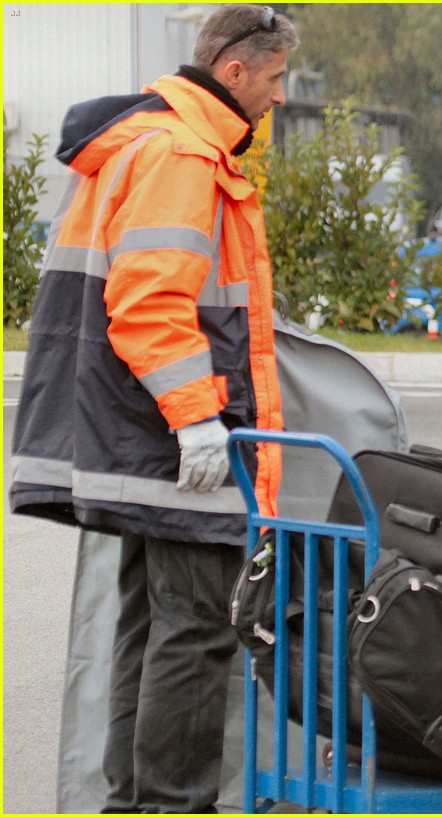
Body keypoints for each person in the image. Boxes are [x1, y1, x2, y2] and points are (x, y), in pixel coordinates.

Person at [8, 5, 297, 811]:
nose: (277, 98)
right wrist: (197, 416)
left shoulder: (150, 140)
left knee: (149, 626)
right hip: (171, 440)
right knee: (197, 630)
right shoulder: (181, 153)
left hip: (138, 437)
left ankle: (132, 801)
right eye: (273, 79)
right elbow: (149, 302)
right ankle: (172, 803)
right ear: (234, 71)